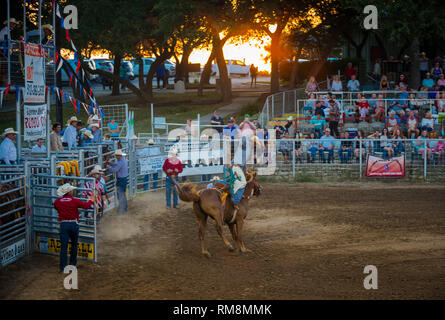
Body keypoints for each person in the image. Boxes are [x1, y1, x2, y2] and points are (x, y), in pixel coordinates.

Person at [54, 183, 95, 272]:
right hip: (73, 224)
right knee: (74, 245)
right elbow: (86, 206)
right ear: (69, 191)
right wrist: (91, 200)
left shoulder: (57, 201)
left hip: (63, 224)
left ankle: (63, 267)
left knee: (63, 247)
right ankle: (72, 264)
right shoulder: (75, 200)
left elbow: (56, 207)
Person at [107, 149, 129, 214]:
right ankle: (124, 209)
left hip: (121, 180)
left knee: (120, 195)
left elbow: (115, 170)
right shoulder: (123, 161)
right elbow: (117, 165)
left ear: (119, 156)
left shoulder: (120, 162)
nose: (116, 157)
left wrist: (108, 168)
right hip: (123, 179)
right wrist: (110, 163)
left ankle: (121, 210)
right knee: (123, 194)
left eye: (116, 156)